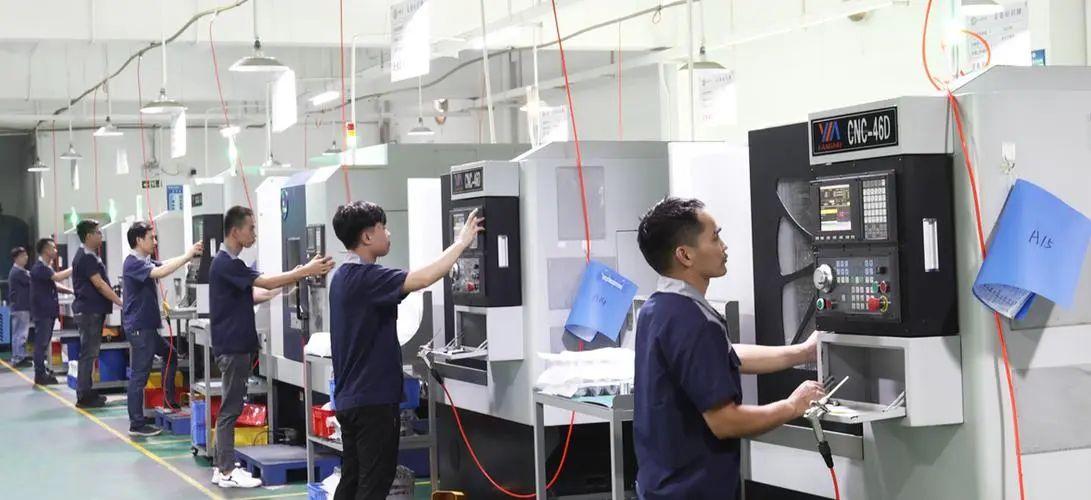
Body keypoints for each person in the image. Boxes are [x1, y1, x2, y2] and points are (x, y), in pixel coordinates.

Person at [633, 198, 826, 500]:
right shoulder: (694, 322)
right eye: (714, 238)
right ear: (685, 255)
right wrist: (793, 406)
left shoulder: (658, 309)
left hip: (660, 486)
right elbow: (725, 422)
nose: (724, 247)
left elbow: (722, 356)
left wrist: (803, 352)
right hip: (694, 491)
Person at [328, 201, 483, 500]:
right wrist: (462, 243)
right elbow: (423, 278)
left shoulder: (342, 277)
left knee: (352, 479)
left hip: (352, 398)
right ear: (367, 236)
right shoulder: (367, 278)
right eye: (383, 228)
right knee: (374, 483)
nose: (388, 234)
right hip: (373, 400)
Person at [210, 206, 334, 489]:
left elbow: (256, 293)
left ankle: (222, 467)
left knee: (230, 407)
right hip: (233, 347)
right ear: (235, 231)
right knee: (231, 409)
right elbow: (264, 281)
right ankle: (226, 470)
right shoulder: (227, 263)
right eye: (251, 228)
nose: (254, 233)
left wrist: (291, 283)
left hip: (234, 346)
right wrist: (305, 271)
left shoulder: (229, 264)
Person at [123, 221, 203, 436]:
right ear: (139, 240)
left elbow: (162, 264)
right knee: (139, 376)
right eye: (151, 238)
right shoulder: (132, 263)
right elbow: (159, 272)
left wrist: (188, 255)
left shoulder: (144, 260)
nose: (155, 242)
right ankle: (136, 424)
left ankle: (169, 400)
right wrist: (186, 256)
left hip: (147, 326)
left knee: (170, 354)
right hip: (140, 328)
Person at [71, 220, 124, 409]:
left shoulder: (88, 255)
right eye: (98, 232)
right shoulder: (86, 257)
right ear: (88, 236)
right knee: (89, 353)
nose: (101, 235)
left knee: (89, 352)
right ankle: (84, 395)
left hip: (91, 310)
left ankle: (87, 391)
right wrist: (120, 302)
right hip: (89, 311)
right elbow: (100, 284)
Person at [29, 238, 74, 386]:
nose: (55, 250)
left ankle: (42, 373)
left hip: (47, 311)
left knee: (43, 342)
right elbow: (57, 278)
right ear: (45, 250)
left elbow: (54, 284)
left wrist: (71, 291)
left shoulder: (45, 268)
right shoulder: (40, 268)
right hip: (43, 312)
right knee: (41, 344)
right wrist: (75, 267)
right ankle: (40, 375)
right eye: (53, 248)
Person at [7, 247, 32, 367]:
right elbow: (33, 280)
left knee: (19, 333)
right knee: (20, 334)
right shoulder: (18, 272)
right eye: (23, 256)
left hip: (19, 307)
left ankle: (19, 356)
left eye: (26, 255)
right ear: (16, 258)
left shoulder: (19, 271)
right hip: (21, 307)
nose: (26, 257)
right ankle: (18, 358)